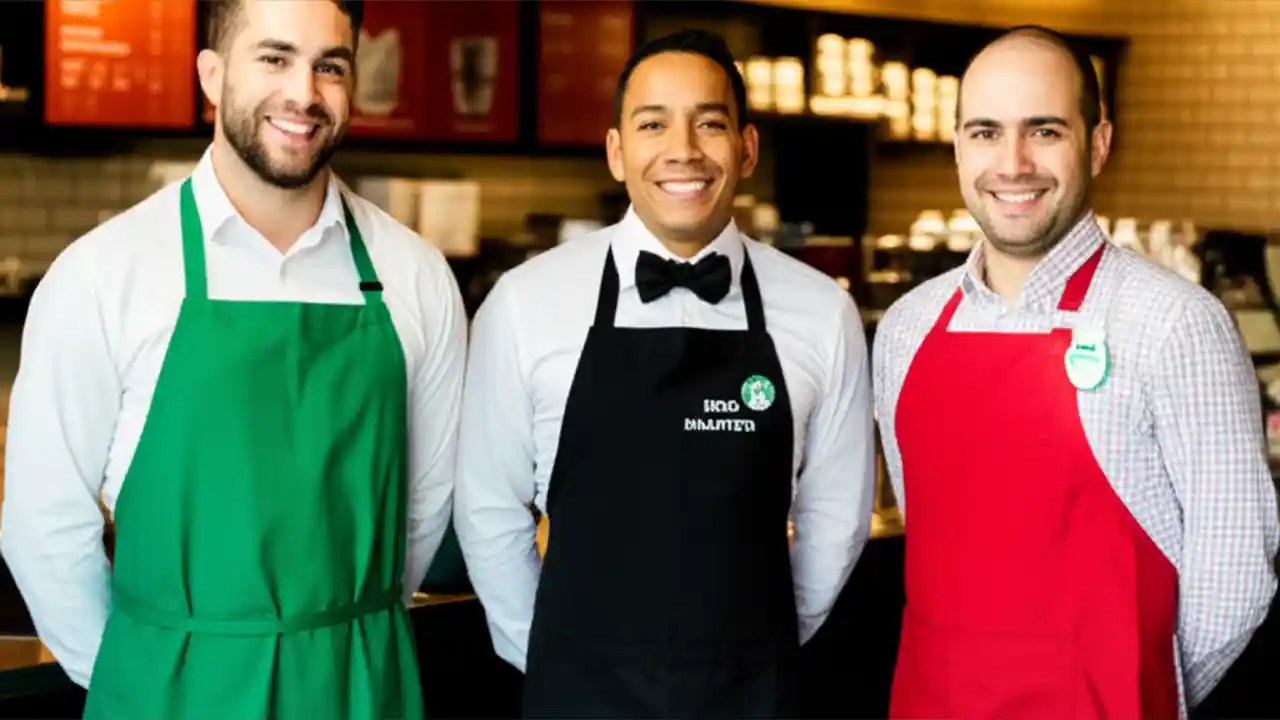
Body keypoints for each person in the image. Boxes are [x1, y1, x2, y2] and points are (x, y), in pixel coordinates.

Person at [0, 0, 466, 717]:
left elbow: (424, 506)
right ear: (212, 75)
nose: (304, 94)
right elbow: (42, 526)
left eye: (330, 67)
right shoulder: (103, 273)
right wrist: (145, 675)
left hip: (359, 688)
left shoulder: (417, 276)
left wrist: (342, 634)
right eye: (274, 58)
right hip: (169, 690)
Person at [452, 28, 876, 718]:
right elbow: (486, 508)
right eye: (653, 124)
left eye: (710, 123)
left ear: (746, 148)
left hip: (752, 695)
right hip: (580, 693)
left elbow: (836, 520)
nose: (682, 149)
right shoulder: (526, 302)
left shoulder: (822, 311)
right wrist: (558, 653)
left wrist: (758, 644)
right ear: (618, 151)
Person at [873, 25, 1280, 720]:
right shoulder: (906, 327)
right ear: (958, 146)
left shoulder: (1177, 324)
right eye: (985, 132)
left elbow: (1236, 579)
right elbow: (931, 534)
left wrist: (1129, 690)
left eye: (1045, 131)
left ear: (1098, 143)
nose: (1013, 162)